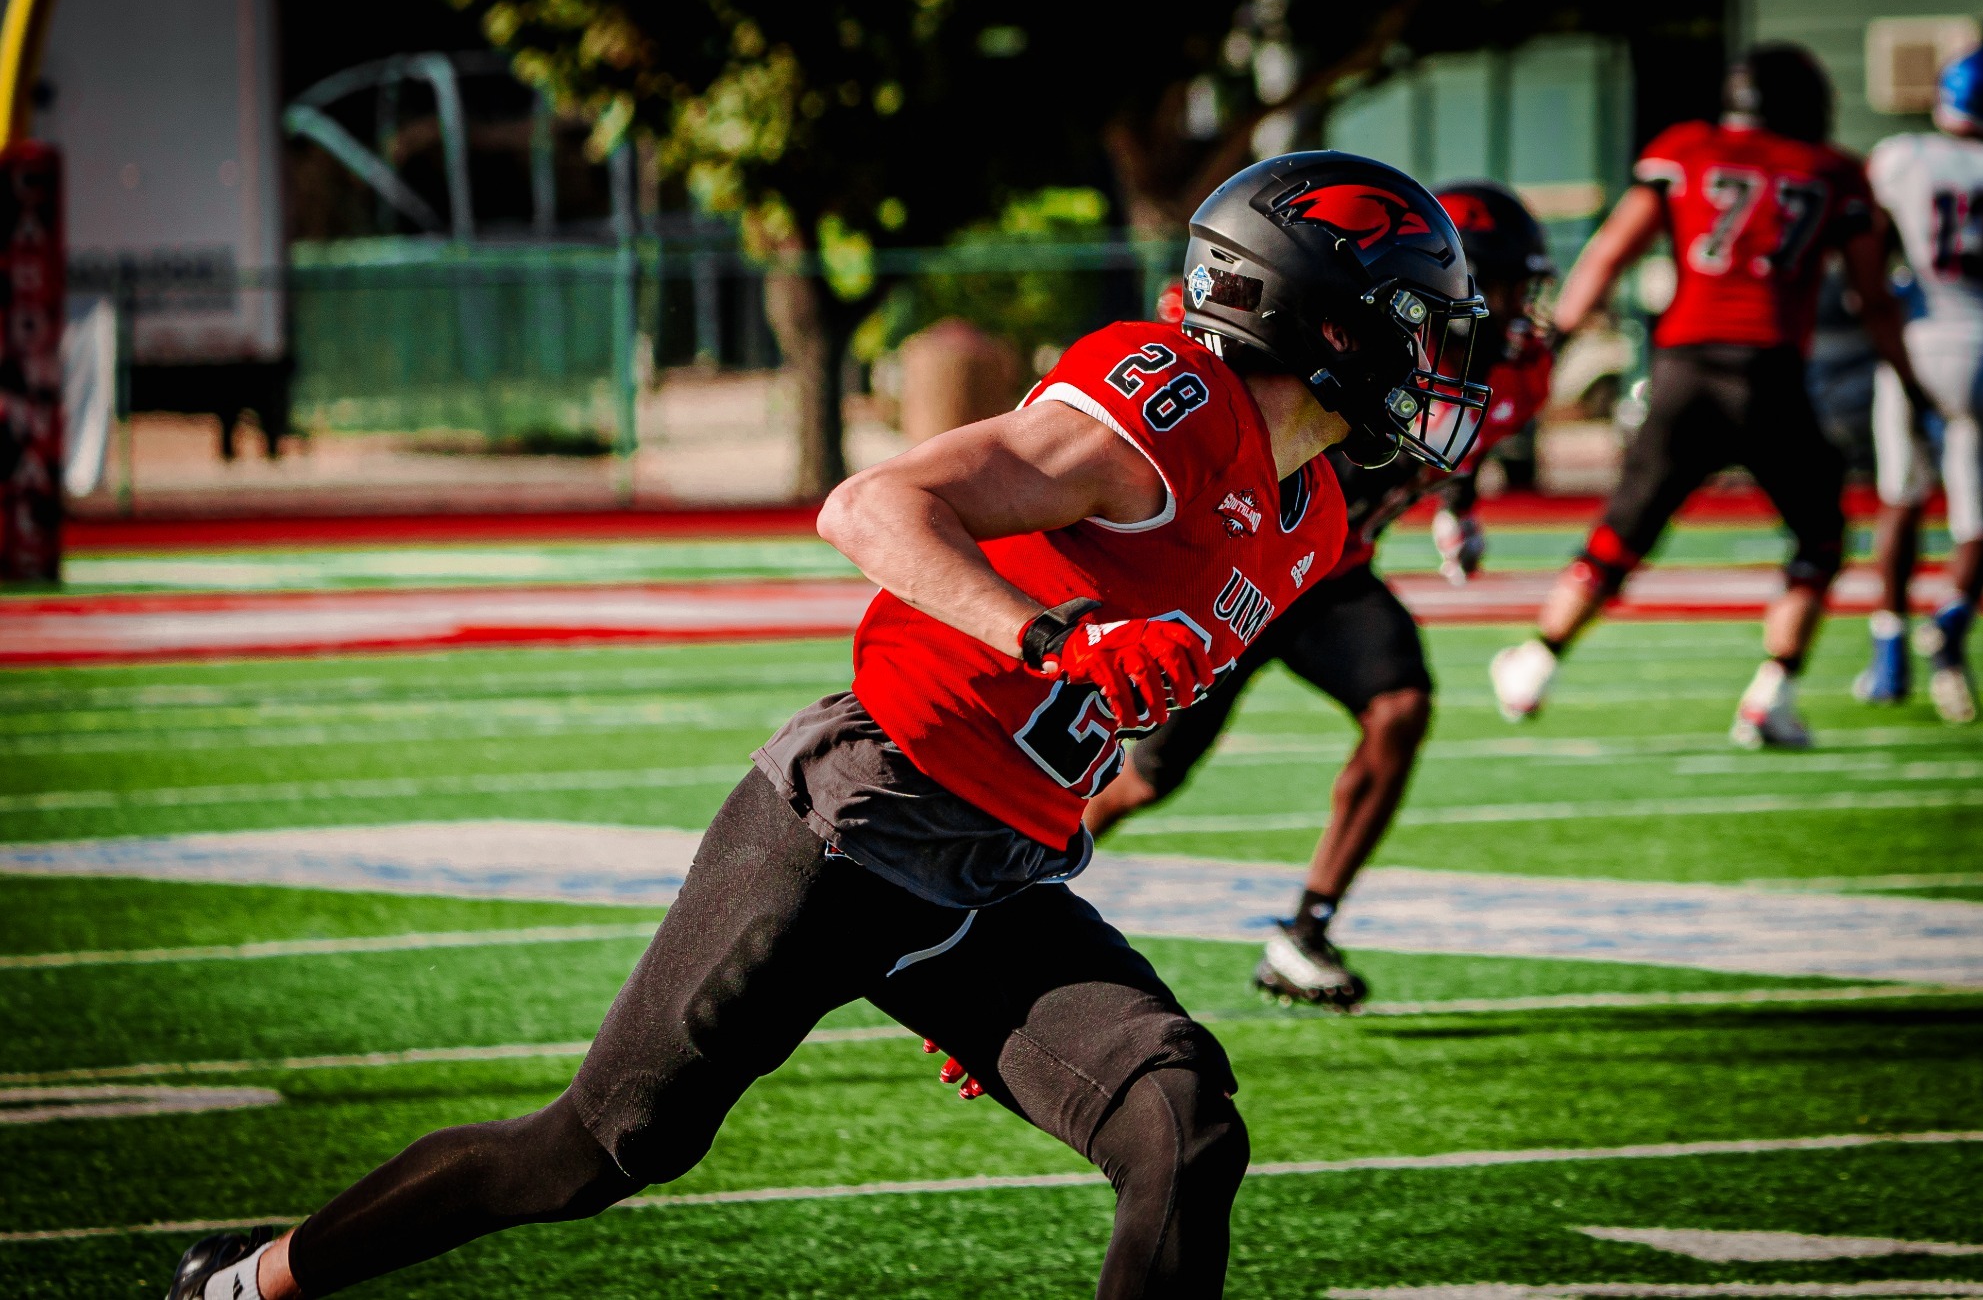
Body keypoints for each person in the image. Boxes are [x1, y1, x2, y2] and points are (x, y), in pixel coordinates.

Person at [162, 151, 1490, 1300]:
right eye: (1415, 322)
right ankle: (255, 1282)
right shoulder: (1170, 406)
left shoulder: (1312, 512)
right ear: (1320, 314)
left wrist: (982, 979)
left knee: (1182, 1123)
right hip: (853, 822)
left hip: (993, 880)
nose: (1437, 358)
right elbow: (872, 505)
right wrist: (1055, 636)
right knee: (598, 1149)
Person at [1082, 181, 1554, 1009]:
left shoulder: (1514, 373)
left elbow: (1453, 443)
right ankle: (1010, 883)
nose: (1512, 308)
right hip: (1245, 567)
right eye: (1506, 285)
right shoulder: (1356, 345)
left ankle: (1309, 929)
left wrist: (1459, 508)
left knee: (1399, 706)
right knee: (1145, 777)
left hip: (1332, 572)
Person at [1489, 43, 1933, 748]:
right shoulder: (1832, 172)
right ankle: (1771, 694)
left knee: (1624, 530)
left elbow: (1610, 251)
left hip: (1686, 370)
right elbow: (1873, 298)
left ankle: (1536, 665)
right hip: (1771, 375)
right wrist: (1910, 379)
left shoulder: (1687, 149)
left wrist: (1559, 338)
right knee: (1820, 537)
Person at [1852, 42, 1983, 723]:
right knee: (1981, 519)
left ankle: (1888, 653)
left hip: (1913, 338)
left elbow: (1869, 247)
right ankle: (1951, 624)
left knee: (1901, 497)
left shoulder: (1903, 156)